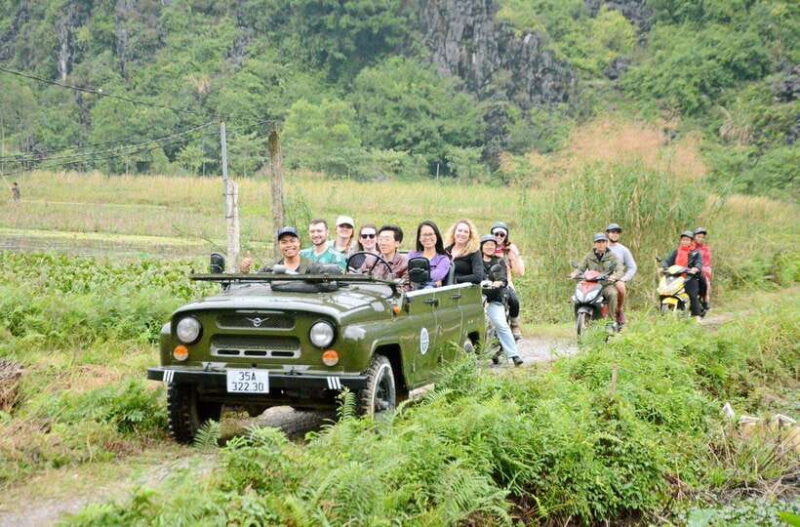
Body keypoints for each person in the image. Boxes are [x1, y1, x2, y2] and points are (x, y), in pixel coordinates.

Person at [480, 235, 523, 367]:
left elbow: (503, 279)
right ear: (481, 246)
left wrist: (497, 283)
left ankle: (514, 355)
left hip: (494, 298)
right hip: (477, 298)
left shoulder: (499, 261)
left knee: (501, 324)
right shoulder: (475, 261)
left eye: (492, 245)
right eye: (486, 244)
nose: (489, 247)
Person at [573, 233, 624, 330]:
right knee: (577, 295)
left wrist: (614, 276)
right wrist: (575, 273)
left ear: (606, 243)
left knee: (613, 293)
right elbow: (580, 268)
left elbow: (620, 269)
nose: (601, 244)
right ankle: (578, 319)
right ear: (594, 244)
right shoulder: (589, 256)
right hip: (591, 284)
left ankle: (610, 321)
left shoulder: (612, 257)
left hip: (605, 285)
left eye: (603, 242)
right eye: (598, 242)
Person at [491, 221, 525, 340]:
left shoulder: (508, 250)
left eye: (502, 235)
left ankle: (514, 324)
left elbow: (520, 272)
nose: (498, 237)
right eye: (496, 234)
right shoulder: (487, 246)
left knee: (514, 300)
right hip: (488, 281)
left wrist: (514, 255)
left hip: (506, 281)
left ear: (506, 236)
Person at [661, 231, 705, 318]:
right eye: (683, 240)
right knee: (664, 292)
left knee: (692, 295)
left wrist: (695, 268)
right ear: (680, 241)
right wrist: (664, 267)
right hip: (675, 277)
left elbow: (699, 263)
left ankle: (696, 315)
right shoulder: (676, 252)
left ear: (691, 241)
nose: (685, 242)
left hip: (690, 277)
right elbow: (667, 261)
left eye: (687, 240)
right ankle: (662, 311)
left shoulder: (695, 253)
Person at [605, 223, 638, 328]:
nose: (614, 234)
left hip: (616, 278)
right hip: (601, 277)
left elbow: (632, 267)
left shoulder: (623, 250)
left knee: (621, 288)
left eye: (617, 232)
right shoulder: (601, 246)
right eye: (612, 232)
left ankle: (618, 310)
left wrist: (624, 278)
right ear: (608, 234)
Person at [239, 226, 311, 274]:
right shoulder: (270, 269)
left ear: (299, 243)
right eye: (284, 242)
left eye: (292, 241)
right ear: (279, 245)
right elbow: (255, 284)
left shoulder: (313, 268)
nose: (289, 245)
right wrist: (244, 272)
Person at [407, 220, 451, 287]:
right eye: (424, 235)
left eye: (430, 234)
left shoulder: (443, 259)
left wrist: (416, 276)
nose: (427, 238)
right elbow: (405, 273)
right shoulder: (412, 255)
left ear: (437, 236)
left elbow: (437, 275)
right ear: (419, 238)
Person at [444, 219, 484, 284]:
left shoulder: (474, 252)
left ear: (470, 236)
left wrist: (456, 280)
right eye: (459, 230)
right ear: (454, 233)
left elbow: (478, 277)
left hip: (463, 290)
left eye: (466, 232)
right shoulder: (445, 250)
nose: (462, 234)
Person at [694, 227, 712, 310]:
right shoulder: (690, 247)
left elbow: (707, 262)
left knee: (706, 284)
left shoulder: (706, 249)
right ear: (694, 237)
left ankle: (705, 301)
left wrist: (703, 269)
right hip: (690, 271)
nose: (700, 239)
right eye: (699, 236)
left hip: (703, 271)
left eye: (702, 237)